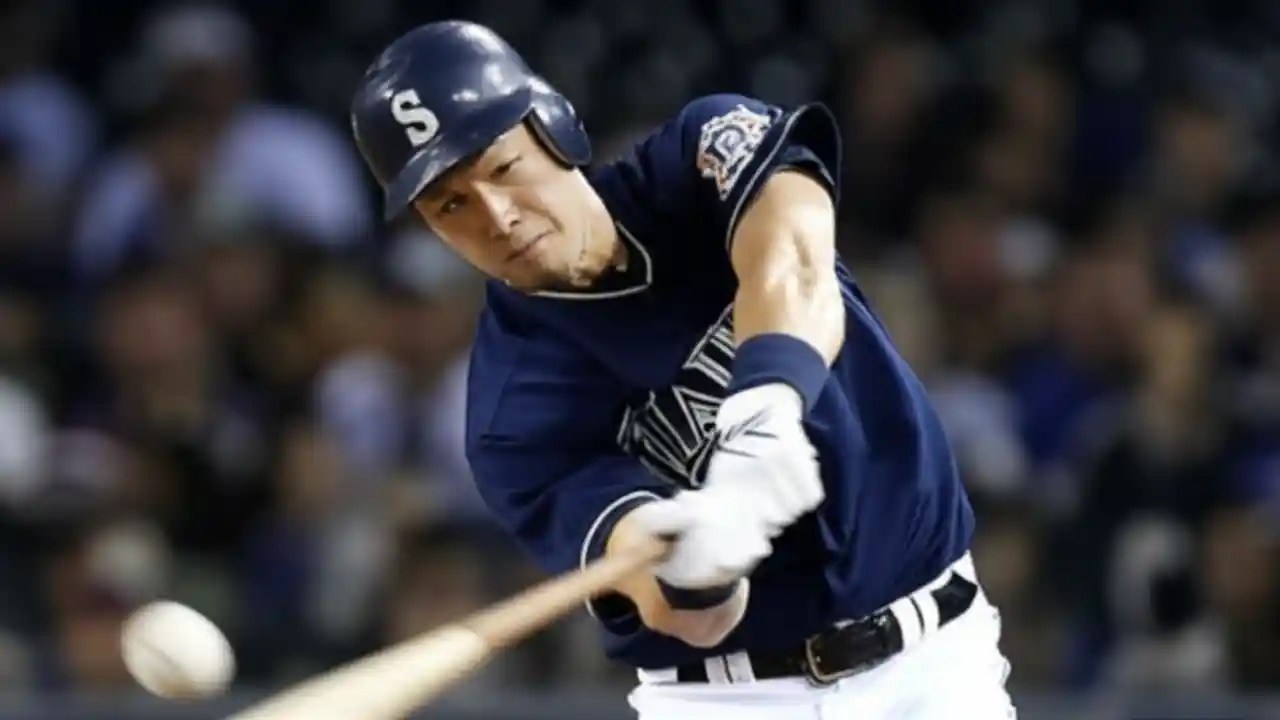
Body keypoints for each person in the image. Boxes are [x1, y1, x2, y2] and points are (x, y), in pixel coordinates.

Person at [349, 20, 1016, 719]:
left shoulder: (698, 156)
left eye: (501, 166)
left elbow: (795, 254)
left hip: (939, 664)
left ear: (552, 125)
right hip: (738, 701)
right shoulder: (507, 415)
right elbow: (683, 610)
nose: (498, 216)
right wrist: (697, 558)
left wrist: (767, 406)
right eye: (450, 204)